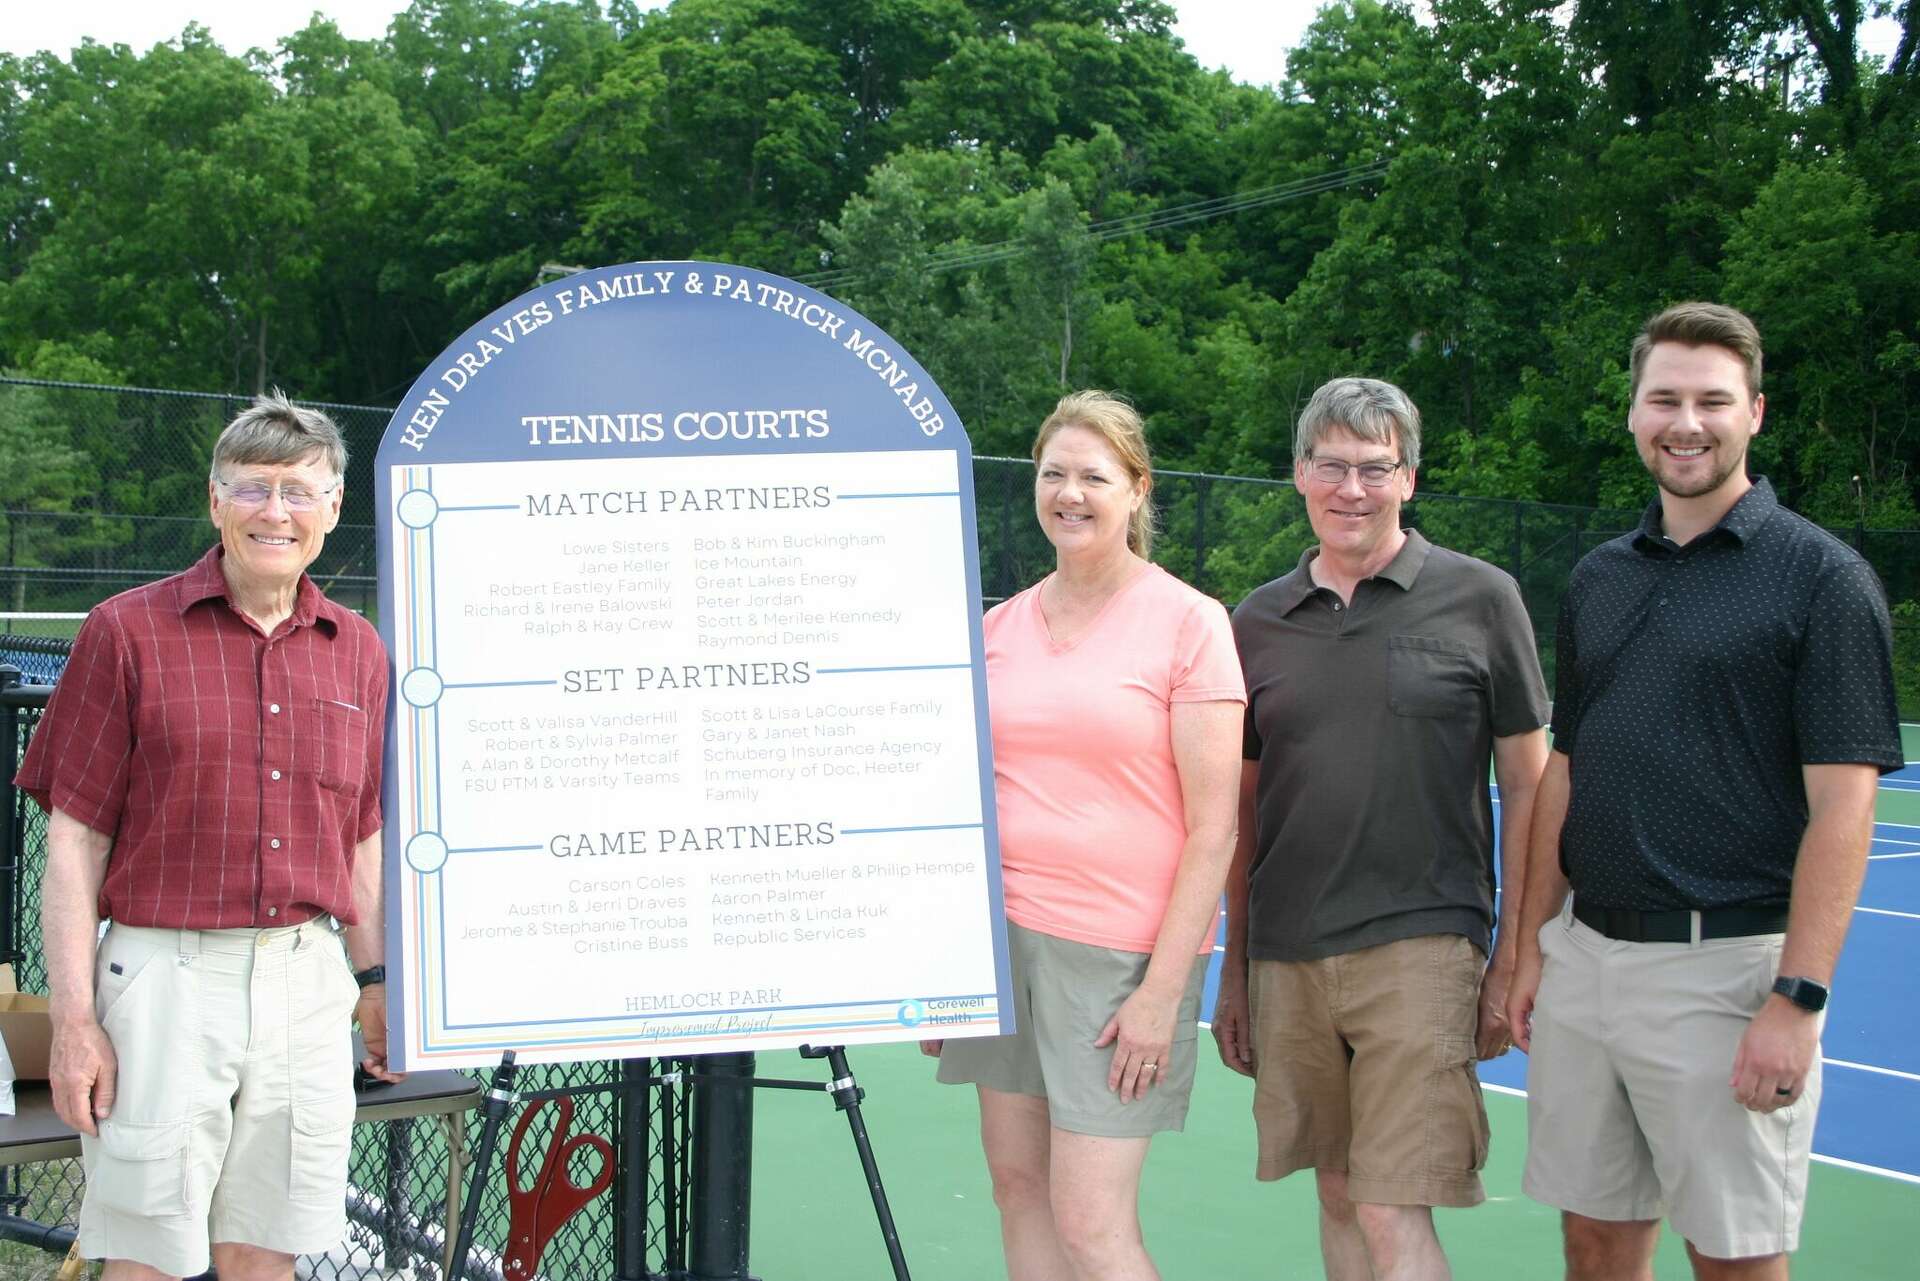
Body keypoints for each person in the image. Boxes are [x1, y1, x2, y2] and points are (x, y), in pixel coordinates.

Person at [1505, 303, 1902, 1281]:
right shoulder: (1600, 578)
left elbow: (1845, 806)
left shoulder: (1823, 579)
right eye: (1665, 399)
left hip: (1727, 972)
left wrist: (1797, 1000)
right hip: (1588, 962)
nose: (1687, 423)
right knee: (1595, 1244)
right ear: (1635, 411)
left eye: (1713, 401)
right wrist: (1532, 947)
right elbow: (1568, 768)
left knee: (1734, 1260)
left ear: (1754, 413)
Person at [14, 391, 400, 1281]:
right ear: (216, 500)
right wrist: (73, 1019)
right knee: (147, 1255)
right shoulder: (125, 631)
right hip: (164, 980)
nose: (276, 512)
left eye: (300, 491)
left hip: (306, 982)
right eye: (254, 488)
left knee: (265, 1251)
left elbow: (359, 839)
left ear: (333, 507)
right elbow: (74, 845)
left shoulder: (358, 648)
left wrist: (373, 980)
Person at [1213, 376, 1550, 1281]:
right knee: (1336, 1190)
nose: (1351, 488)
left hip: (1423, 941)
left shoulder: (1483, 599)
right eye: (1331, 465)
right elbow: (1242, 809)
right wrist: (1236, 966)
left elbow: (1530, 785)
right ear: (1299, 474)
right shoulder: (1255, 621)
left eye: (1374, 467)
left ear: (1409, 477)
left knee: (1389, 1201)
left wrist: (1515, 954)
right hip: (1288, 952)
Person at [921, 390, 1242, 1280]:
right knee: (1018, 1189)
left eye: (1094, 477)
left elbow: (1214, 829)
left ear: (1137, 490)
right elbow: (966, 807)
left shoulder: (1191, 623)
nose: (1071, 493)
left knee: (1091, 1224)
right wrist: (951, 971)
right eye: (1054, 473)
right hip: (1005, 950)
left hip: (1117, 963)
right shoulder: (998, 627)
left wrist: (1161, 993)